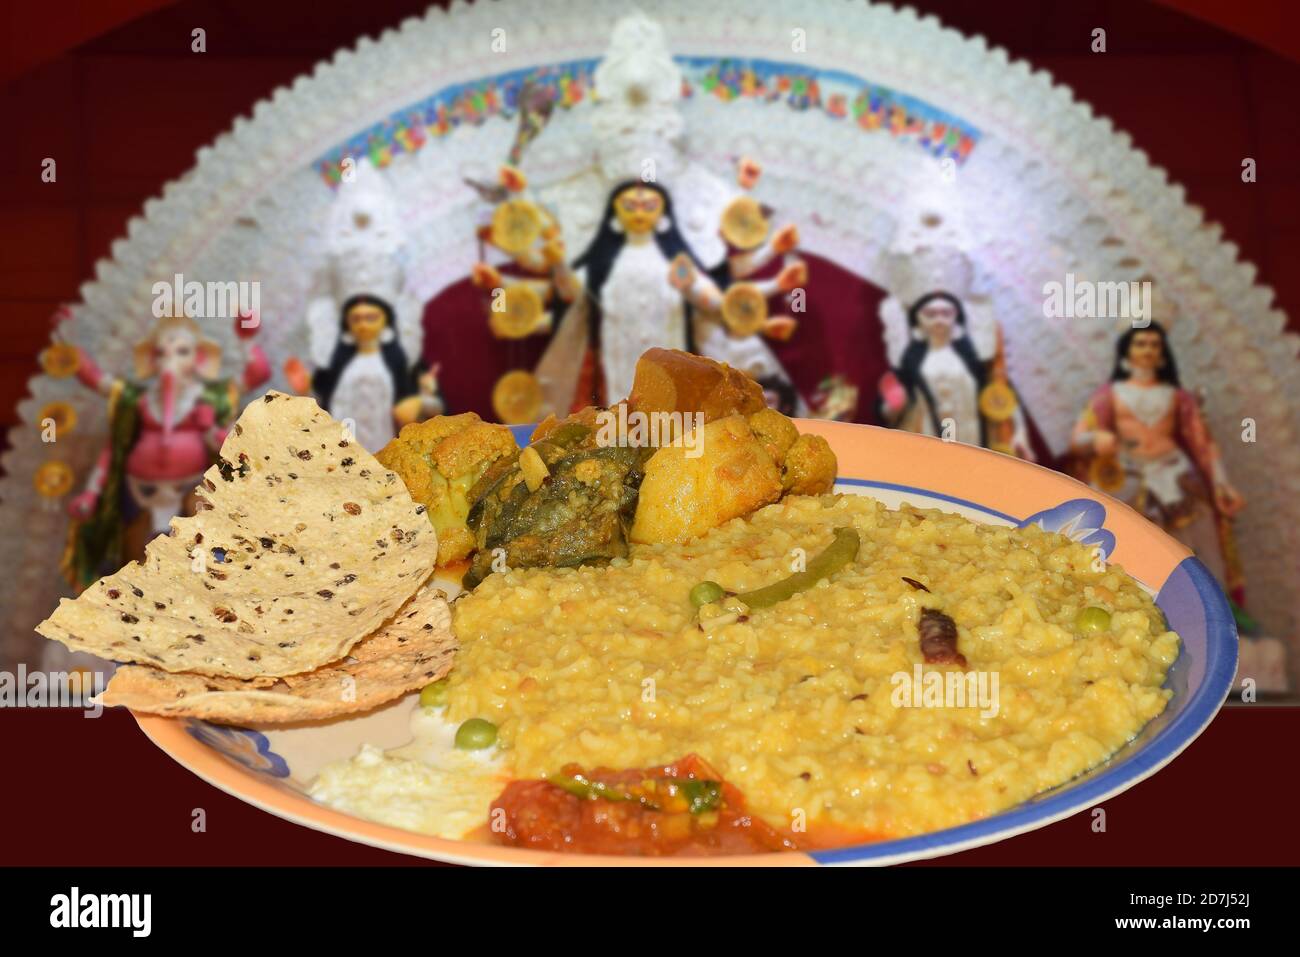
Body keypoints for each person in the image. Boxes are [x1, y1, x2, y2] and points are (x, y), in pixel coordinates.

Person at [1070, 320, 1245, 602]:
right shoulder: (1108, 396)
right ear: (1126, 351)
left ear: (1163, 353)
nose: (1148, 350)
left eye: (1154, 344)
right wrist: (1097, 439)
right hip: (1124, 478)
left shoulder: (1178, 397)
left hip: (1173, 477)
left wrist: (1222, 483)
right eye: (1141, 343)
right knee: (1121, 544)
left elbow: (1204, 443)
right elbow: (1078, 440)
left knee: (1189, 553)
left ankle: (1195, 610)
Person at [877, 291, 1034, 459]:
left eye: (946, 313)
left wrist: (1020, 432)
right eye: (930, 314)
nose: (939, 320)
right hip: (929, 446)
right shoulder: (911, 360)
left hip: (972, 441)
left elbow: (1002, 394)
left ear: (957, 316)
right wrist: (893, 405)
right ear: (917, 319)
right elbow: (892, 410)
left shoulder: (971, 357)